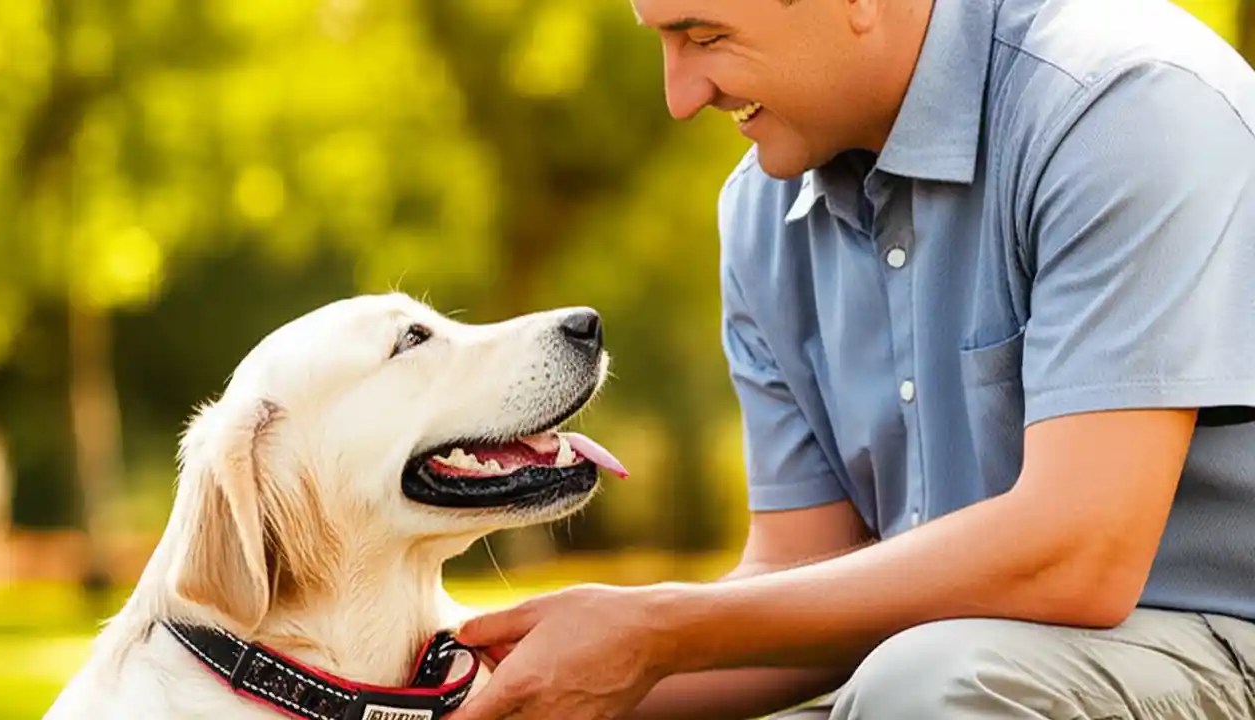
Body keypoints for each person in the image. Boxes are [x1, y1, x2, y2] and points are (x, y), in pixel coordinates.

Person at [448, 0, 1255, 717]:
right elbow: (803, 581)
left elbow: (1081, 554)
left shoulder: (1119, 104)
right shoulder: (763, 213)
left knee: (923, 685)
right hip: (950, 672)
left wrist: (660, 629)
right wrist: (482, 696)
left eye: (705, 36)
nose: (681, 97)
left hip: (1210, 640)